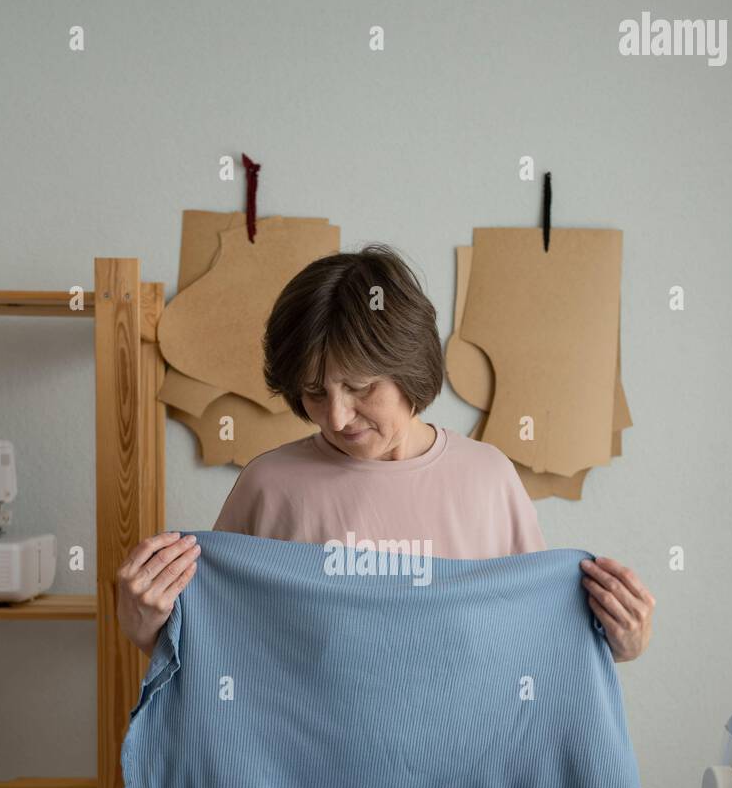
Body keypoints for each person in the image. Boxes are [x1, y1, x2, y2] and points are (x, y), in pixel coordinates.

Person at [117, 244, 655, 661]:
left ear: (409, 369)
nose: (336, 417)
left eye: (361, 387)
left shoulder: (488, 479)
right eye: (313, 391)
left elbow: (536, 647)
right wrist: (146, 625)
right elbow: (220, 652)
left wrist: (621, 642)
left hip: (456, 778)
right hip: (315, 782)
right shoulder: (268, 485)